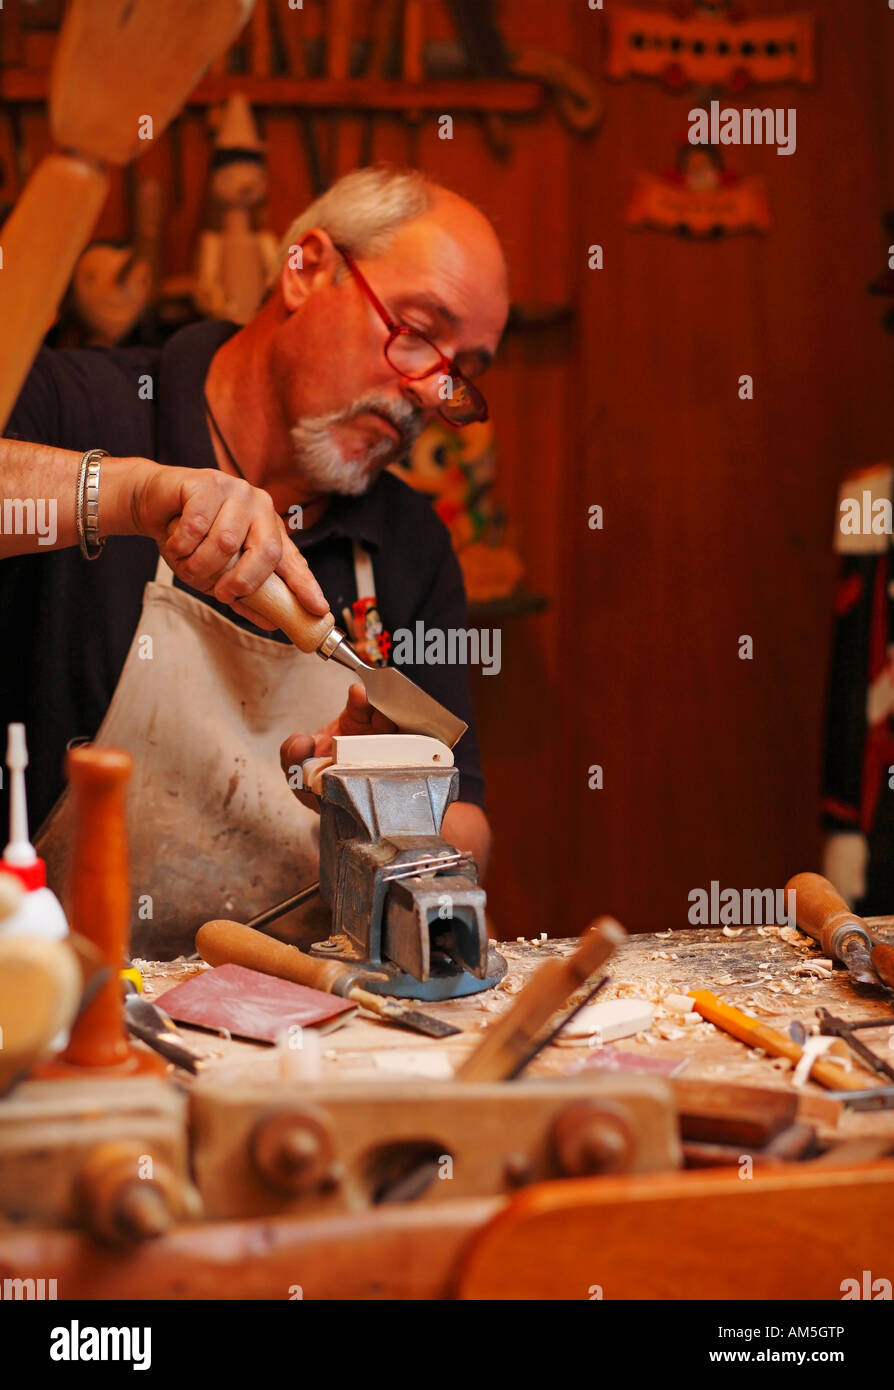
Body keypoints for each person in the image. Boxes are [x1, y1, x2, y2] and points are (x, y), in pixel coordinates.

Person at [0, 166, 509, 955]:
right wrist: (134, 494)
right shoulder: (74, 406)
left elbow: (466, 831)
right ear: (306, 268)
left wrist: (383, 793)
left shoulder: (408, 540)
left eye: (459, 372)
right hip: (60, 1007)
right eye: (414, 330)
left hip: (301, 1011)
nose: (425, 393)